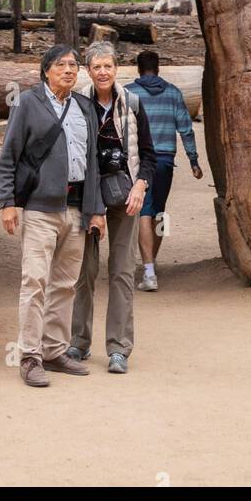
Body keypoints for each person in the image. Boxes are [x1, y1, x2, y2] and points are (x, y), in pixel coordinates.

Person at [0, 44, 106, 388]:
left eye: (74, 65)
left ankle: (55, 350)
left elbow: (92, 163)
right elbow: (9, 154)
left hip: (75, 210)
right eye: (62, 65)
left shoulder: (84, 107)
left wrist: (96, 210)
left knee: (64, 284)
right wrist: (7, 201)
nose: (70, 70)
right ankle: (30, 355)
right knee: (34, 282)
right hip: (41, 209)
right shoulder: (28, 103)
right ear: (46, 70)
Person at [66, 41, 157, 375]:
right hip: (88, 198)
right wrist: (93, 209)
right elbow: (77, 155)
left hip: (124, 197)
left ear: (116, 69)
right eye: (96, 67)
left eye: (108, 66)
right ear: (88, 71)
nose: (102, 72)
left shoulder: (132, 103)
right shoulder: (77, 105)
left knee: (121, 271)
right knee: (84, 272)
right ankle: (78, 341)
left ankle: (118, 348)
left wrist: (140, 185)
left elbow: (149, 154)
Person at [127, 49, 203, 291]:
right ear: (158, 68)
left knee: (144, 213)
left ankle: (149, 271)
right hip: (166, 161)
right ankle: (152, 262)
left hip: (141, 161)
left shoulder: (130, 93)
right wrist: (193, 160)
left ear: (138, 69)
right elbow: (186, 129)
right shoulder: (173, 93)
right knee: (159, 211)